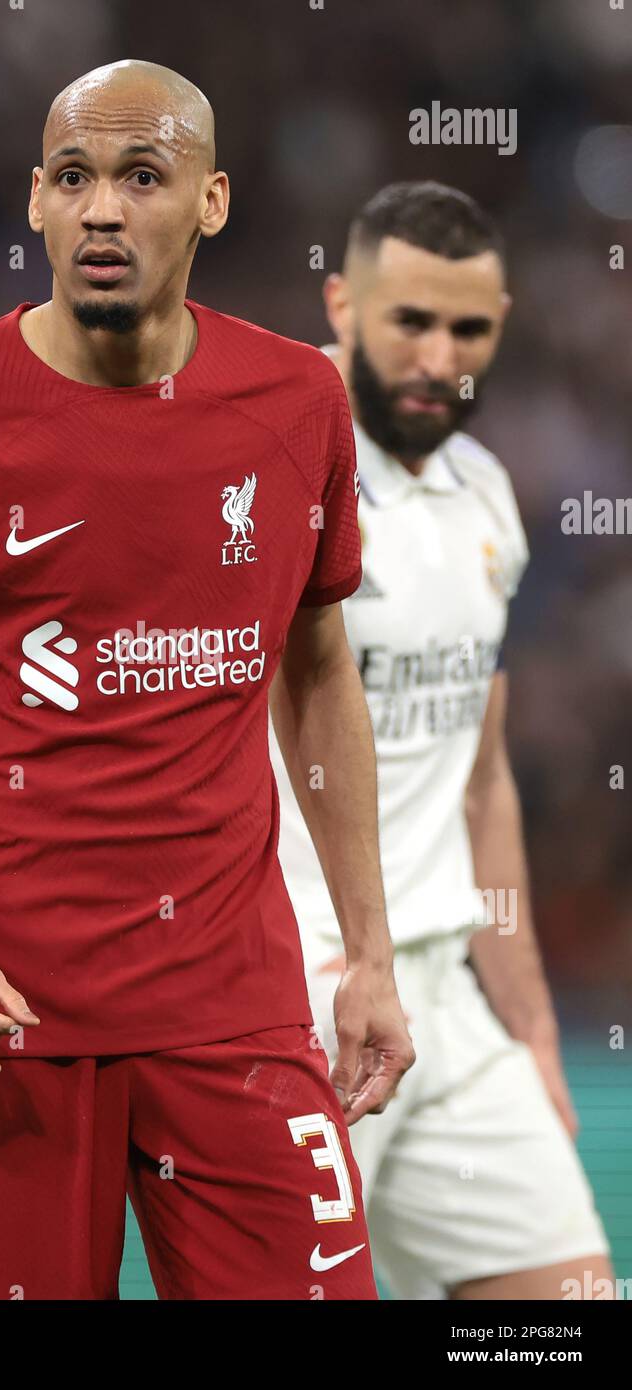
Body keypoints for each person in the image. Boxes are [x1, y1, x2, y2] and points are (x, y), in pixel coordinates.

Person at [0, 60, 413, 1301]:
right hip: (9, 1018)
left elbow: (320, 672)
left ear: (211, 202)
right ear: (34, 201)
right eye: (73, 178)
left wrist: (369, 954)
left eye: (142, 178)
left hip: (234, 1007)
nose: (101, 210)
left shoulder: (298, 401)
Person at [269, 181, 612, 1301]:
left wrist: (532, 1028)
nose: (435, 355)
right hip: (298, 998)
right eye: (407, 320)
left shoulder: (485, 495)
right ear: (340, 301)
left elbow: (482, 777)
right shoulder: (266, 475)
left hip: (445, 1004)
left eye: (466, 328)